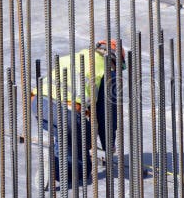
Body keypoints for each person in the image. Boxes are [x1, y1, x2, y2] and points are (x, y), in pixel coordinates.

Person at [32, 39, 125, 190]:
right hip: (67, 113)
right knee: (83, 167)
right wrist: (109, 144)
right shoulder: (107, 73)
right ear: (114, 61)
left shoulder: (73, 58)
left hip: (39, 105)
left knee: (67, 133)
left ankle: (54, 160)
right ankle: (54, 166)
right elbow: (106, 116)